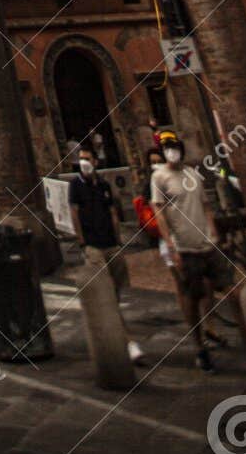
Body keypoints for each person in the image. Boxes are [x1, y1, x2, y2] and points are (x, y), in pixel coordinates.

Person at [150, 136, 231, 371]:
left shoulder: (192, 174)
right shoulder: (158, 178)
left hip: (205, 242)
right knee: (189, 292)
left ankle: (212, 328)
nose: (171, 152)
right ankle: (199, 344)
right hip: (181, 245)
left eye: (173, 147)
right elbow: (158, 210)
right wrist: (170, 245)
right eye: (166, 149)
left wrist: (213, 231)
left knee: (224, 289)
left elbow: (205, 205)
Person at [69, 147, 143, 365]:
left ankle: (113, 333)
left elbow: (112, 213)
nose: (83, 163)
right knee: (106, 294)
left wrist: (118, 240)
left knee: (114, 293)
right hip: (92, 245)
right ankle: (127, 342)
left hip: (111, 244)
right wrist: (82, 242)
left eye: (87, 159)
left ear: (96, 161)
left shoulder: (103, 185)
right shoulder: (75, 186)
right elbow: (74, 213)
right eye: (81, 159)